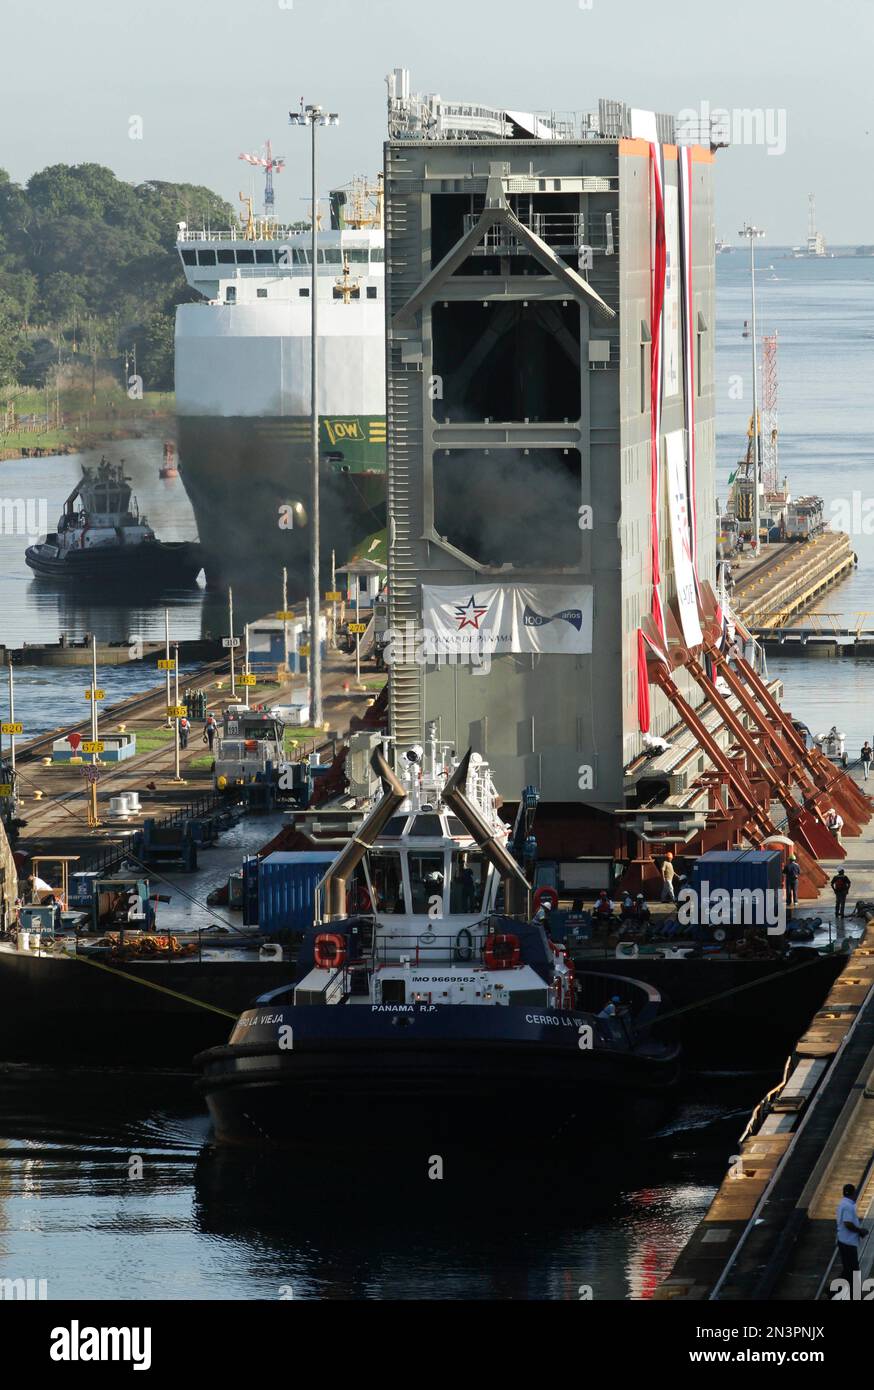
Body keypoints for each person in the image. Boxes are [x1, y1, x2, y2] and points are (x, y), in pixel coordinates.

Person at [835, 1183, 868, 1283]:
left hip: (844, 1240)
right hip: (848, 1242)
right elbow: (848, 1223)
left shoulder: (842, 1203)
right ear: (854, 1193)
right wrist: (860, 1231)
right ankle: (855, 1290)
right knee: (854, 1269)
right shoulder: (848, 1206)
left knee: (848, 1269)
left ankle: (836, 1289)